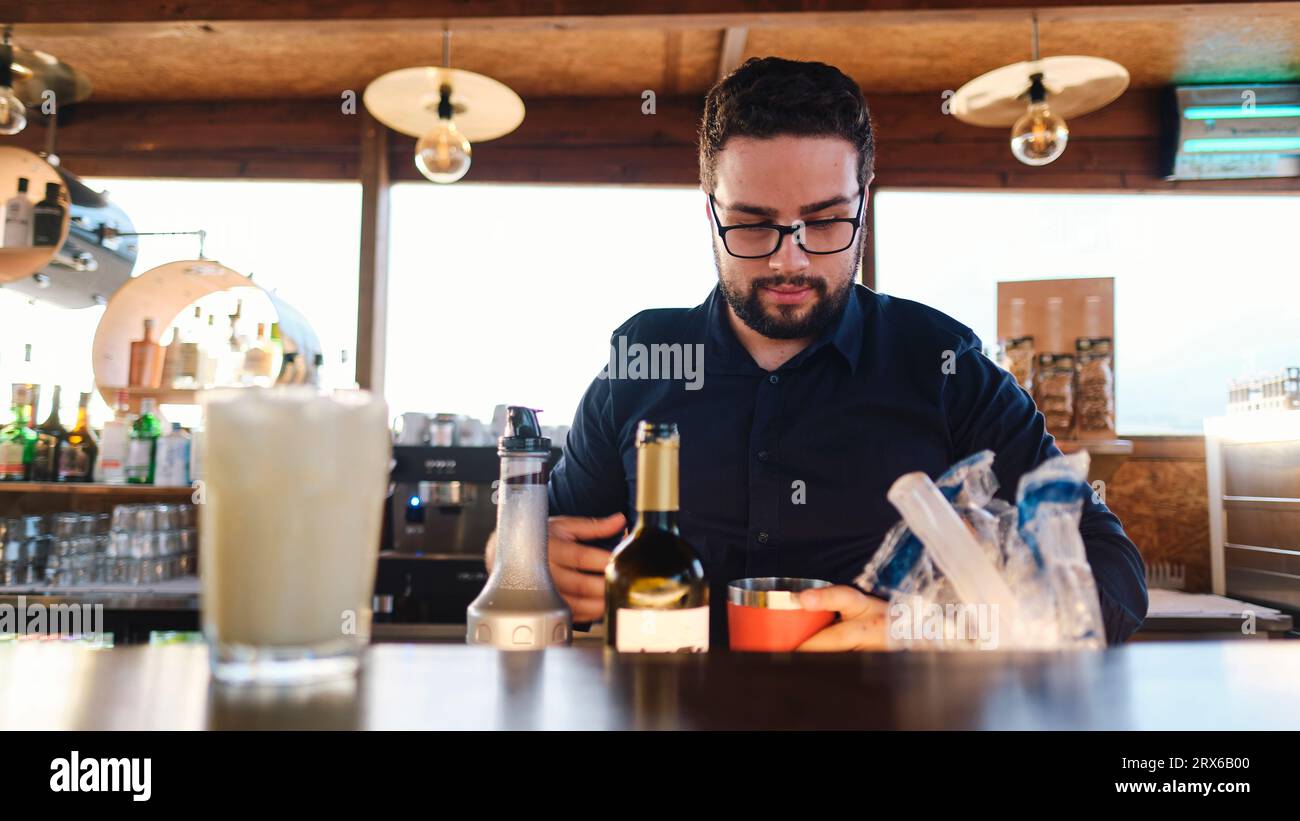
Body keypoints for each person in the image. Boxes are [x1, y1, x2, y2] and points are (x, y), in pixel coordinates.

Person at [489, 56, 1148, 650]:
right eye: (752, 222)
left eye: (826, 220)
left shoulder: (942, 364)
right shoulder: (643, 359)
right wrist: (510, 554)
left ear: (864, 201)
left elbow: (1114, 577)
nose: (789, 258)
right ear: (710, 212)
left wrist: (922, 625)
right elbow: (542, 555)